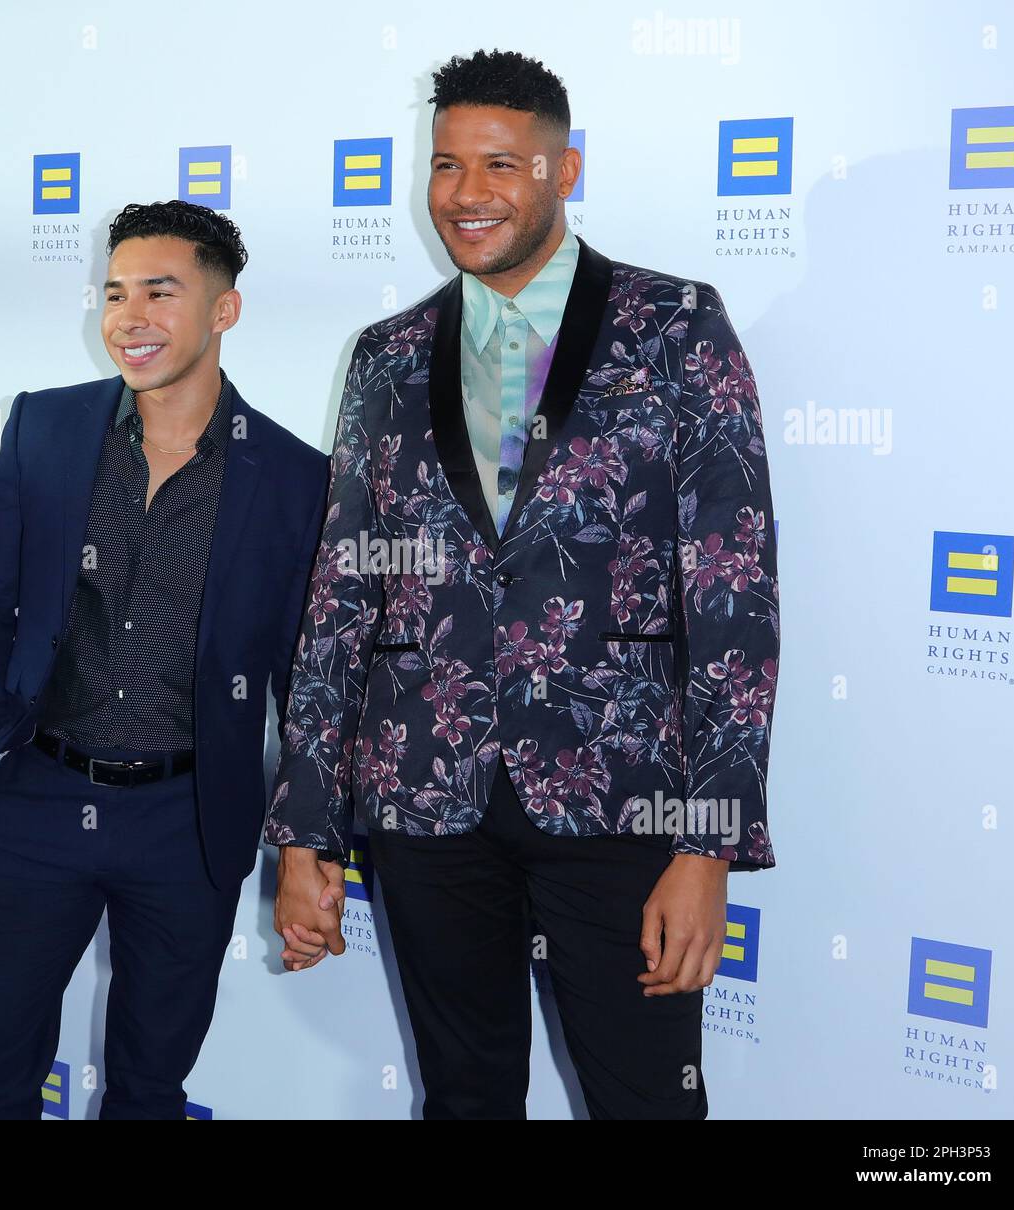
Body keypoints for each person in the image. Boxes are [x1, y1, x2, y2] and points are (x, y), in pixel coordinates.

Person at [267, 49, 781, 1120]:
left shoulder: (676, 326)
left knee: (647, 1098)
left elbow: (734, 593)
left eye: (499, 164)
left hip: (623, 798)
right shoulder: (388, 355)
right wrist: (306, 826)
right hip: (423, 796)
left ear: (564, 169)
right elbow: (342, 596)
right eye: (447, 165)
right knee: (463, 1094)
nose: (465, 194)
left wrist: (708, 840)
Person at [0, 200, 328, 1118]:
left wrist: (310, 841)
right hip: (36, 798)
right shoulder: (45, 429)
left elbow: (305, 678)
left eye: (161, 291)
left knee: (150, 1089)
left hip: (187, 822)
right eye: (116, 293)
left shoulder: (293, 476)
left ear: (223, 310)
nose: (130, 317)